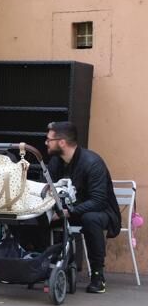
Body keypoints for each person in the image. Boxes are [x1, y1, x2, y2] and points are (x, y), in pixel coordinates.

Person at [45, 121, 120, 294]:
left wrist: (68, 212)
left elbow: (99, 201)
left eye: (49, 139)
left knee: (90, 218)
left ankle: (97, 276)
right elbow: (47, 189)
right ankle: (45, 267)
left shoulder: (92, 162)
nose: (46, 142)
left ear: (61, 142)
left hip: (101, 212)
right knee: (39, 217)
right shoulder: (55, 162)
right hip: (69, 211)